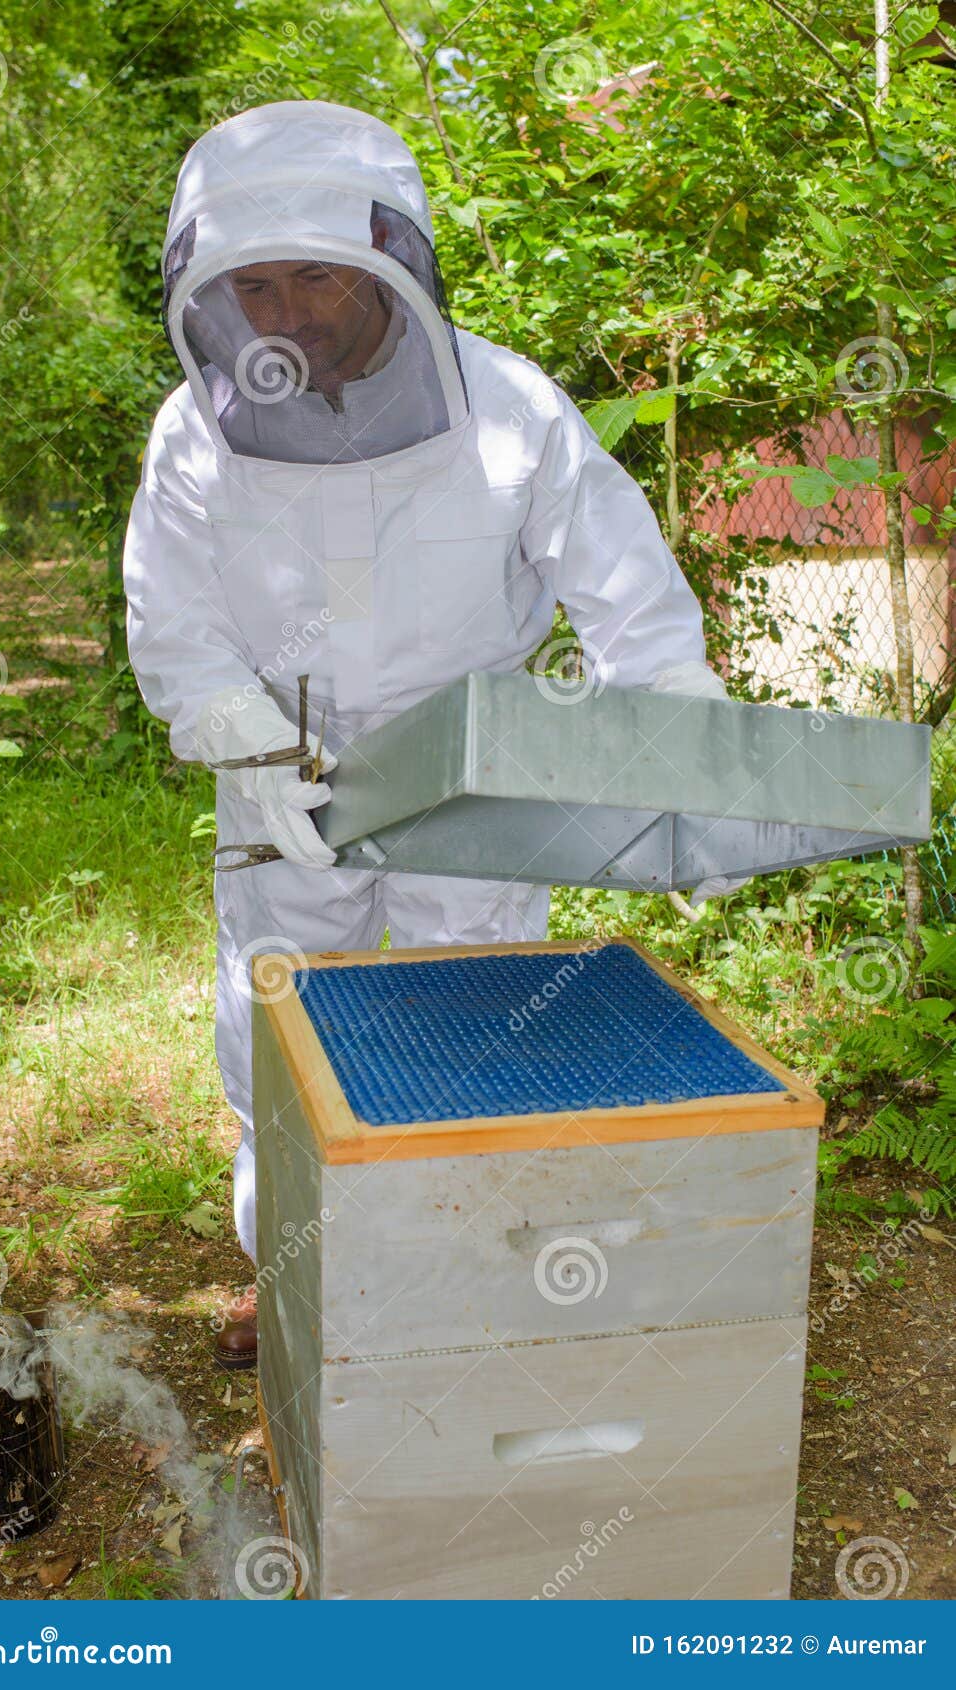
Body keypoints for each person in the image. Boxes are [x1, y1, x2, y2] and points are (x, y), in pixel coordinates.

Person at [122, 99, 731, 1368]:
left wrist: (696, 769)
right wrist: (235, 725)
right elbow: (171, 617)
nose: (286, 313)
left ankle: (462, 1280)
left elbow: (633, 601)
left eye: (317, 277)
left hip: (471, 759)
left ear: (389, 260)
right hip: (282, 767)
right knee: (279, 1019)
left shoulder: (509, 409)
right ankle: (288, 1267)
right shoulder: (196, 434)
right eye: (259, 284)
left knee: (481, 1016)